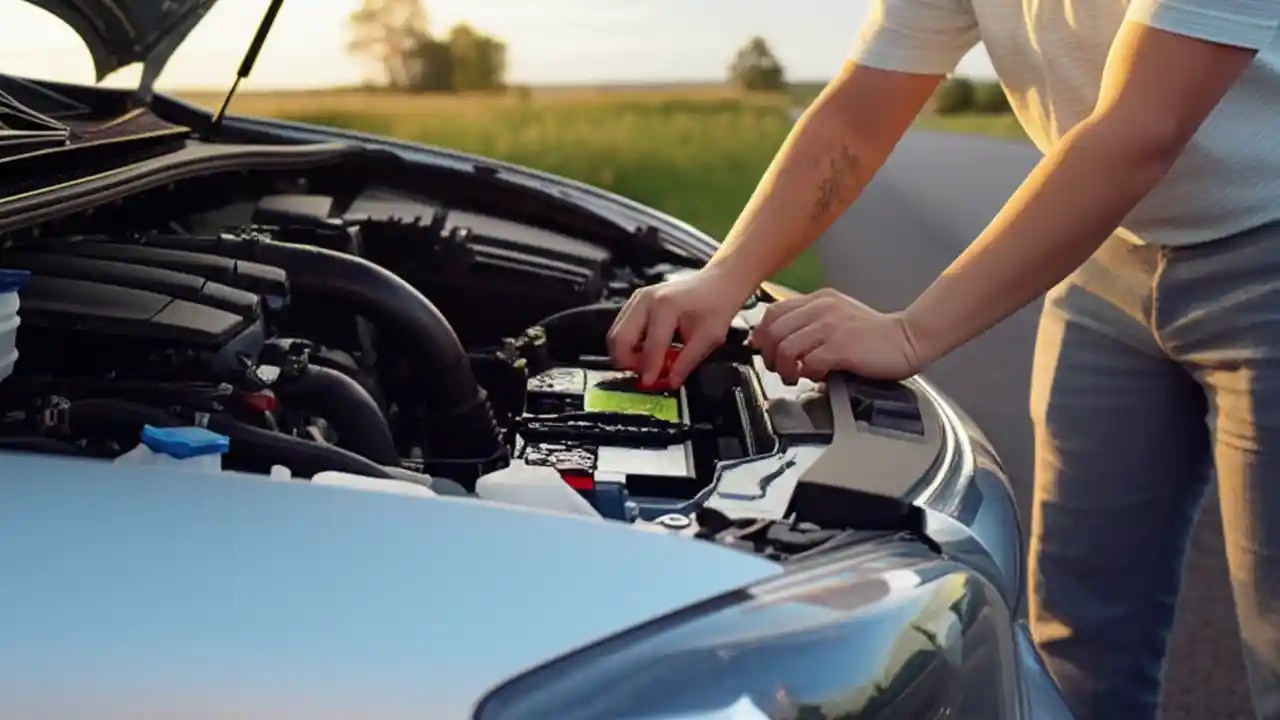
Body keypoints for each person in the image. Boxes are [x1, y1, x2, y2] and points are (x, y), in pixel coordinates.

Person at [606, 2, 1280, 718]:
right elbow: (857, 115)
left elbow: (1141, 129)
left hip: (1264, 248)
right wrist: (724, 277)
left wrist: (910, 334)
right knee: (1077, 641)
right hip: (1108, 257)